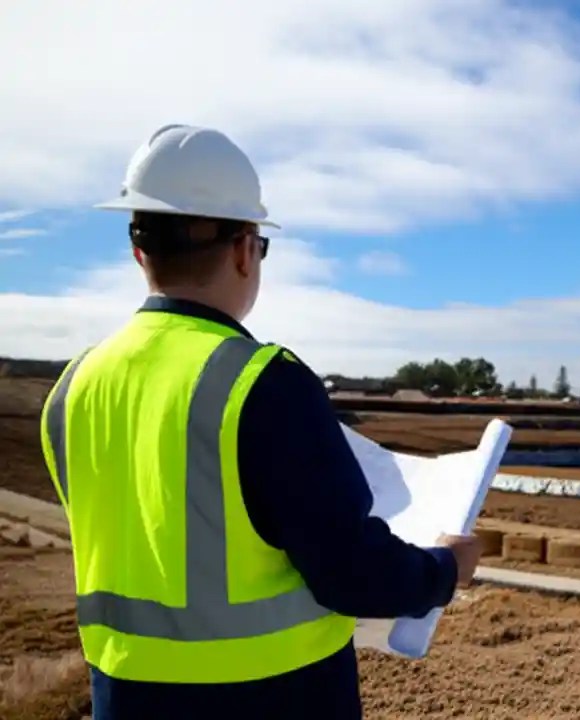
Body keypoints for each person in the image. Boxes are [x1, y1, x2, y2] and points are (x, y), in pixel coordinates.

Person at [39, 124, 482, 719]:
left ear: (138, 249)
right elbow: (351, 572)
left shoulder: (72, 388)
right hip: (273, 698)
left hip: (122, 699)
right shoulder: (262, 383)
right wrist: (445, 568)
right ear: (247, 249)